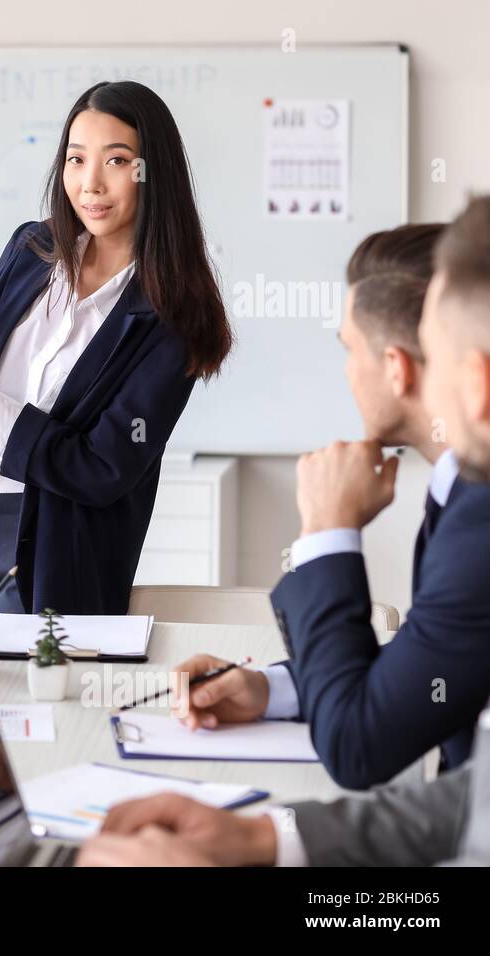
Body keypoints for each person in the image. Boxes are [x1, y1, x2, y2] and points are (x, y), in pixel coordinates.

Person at [0, 80, 232, 615]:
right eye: (76, 159)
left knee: (35, 696)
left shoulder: (173, 319)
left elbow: (103, 467)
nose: (91, 184)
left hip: (56, 554)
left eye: (116, 161)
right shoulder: (29, 249)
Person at [176, 220, 490, 788]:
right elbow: (433, 659)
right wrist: (274, 688)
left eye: (348, 349)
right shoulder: (463, 491)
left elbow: (357, 747)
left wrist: (327, 530)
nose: (346, 370)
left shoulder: (480, 516)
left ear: (396, 368)